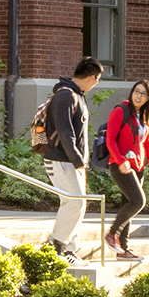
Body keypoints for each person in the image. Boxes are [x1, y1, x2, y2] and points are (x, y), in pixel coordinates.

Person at [35, 57, 102, 253]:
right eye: (98, 79)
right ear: (91, 77)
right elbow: (65, 132)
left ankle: (69, 249)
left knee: (77, 204)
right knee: (75, 203)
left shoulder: (76, 95)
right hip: (61, 159)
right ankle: (55, 244)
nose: (97, 83)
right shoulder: (66, 96)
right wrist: (78, 161)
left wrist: (80, 162)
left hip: (71, 161)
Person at [99, 79, 149, 261]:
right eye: (136, 91)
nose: (138, 96)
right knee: (138, 201)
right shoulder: (121, 111)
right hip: (121, 166)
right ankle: (111, 233)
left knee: (127, 206)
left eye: (143, 94)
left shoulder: (143, 118)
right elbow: (110, 140)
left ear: (148, 98)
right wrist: (120, 161)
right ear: (132, 92)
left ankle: (123, 249)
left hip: (138, 167)